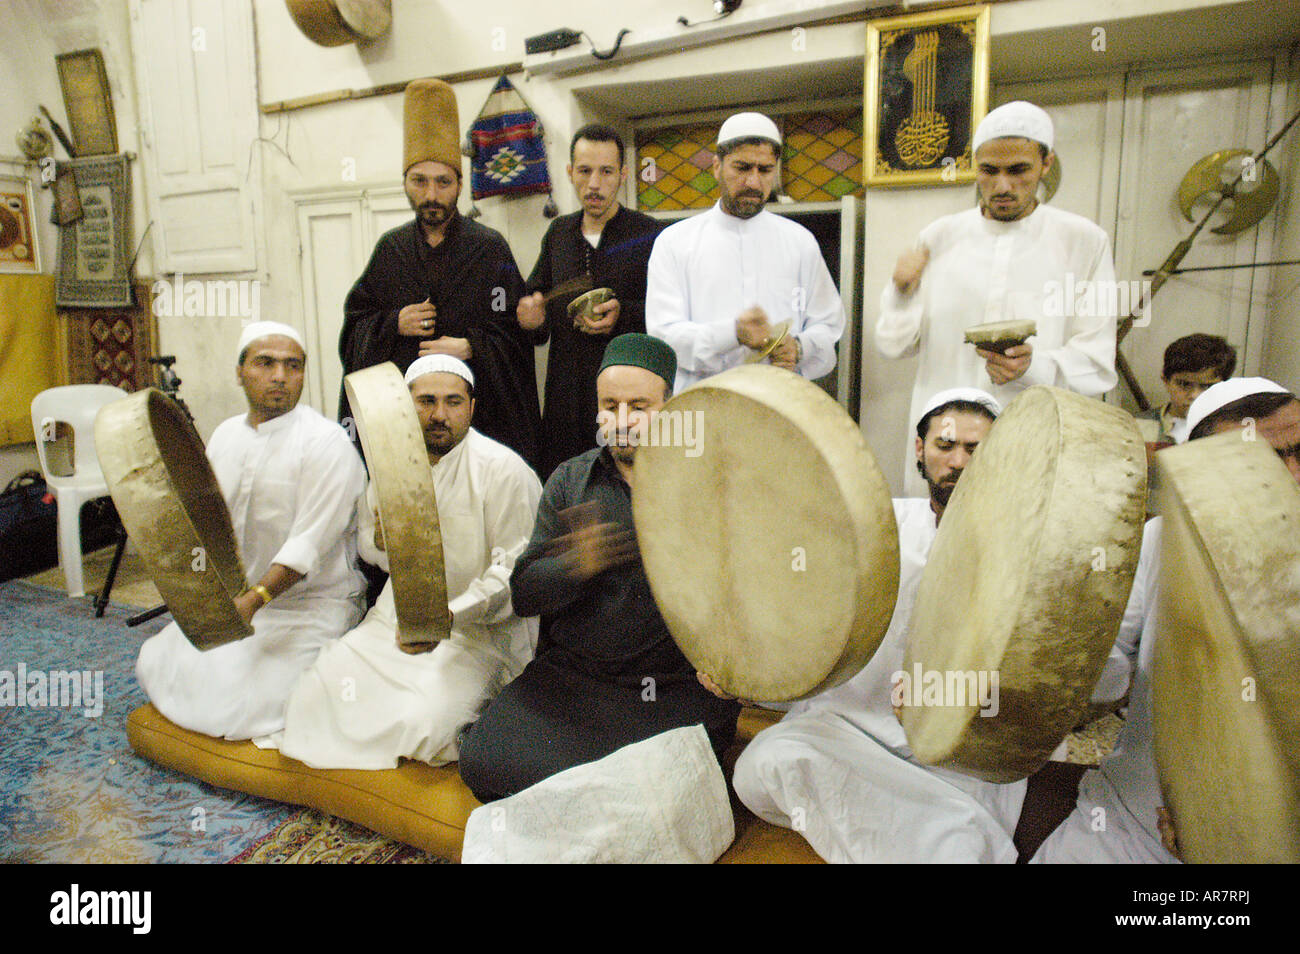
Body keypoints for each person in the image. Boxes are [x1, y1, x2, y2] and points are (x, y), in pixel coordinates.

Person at [729, 388, 1029, 863]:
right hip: (846, 731)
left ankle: (945, 831)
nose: (958, 461)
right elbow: (808, 629)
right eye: (945, 446)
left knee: (955, 850)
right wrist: (746, 676)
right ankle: (944, 828)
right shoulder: (873, 523)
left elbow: (1031, 682)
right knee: (758, 769)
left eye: (976, 449)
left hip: (951, 757)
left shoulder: (1023, 552)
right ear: (919, 449)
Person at [457, 333, 741, 802]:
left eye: (639, 406)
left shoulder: (711, 484)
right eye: (610, 405)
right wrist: (575, 565)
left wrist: (731, 668)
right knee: (485, 760)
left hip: (672, 688)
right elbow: (525, 595)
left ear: (670, 408)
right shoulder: (571, 479)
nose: (623, 421)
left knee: (671, 787)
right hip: (575, 680)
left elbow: (744, 593)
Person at [1031, 377, 1300, 863]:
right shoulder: (1161, 541)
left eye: (1298, 451)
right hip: (1128, 818)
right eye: (1255, 463)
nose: (1290, 475)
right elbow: (1103, 669)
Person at [276, 355, 542, 769]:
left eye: (454, 402)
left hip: (477, 636)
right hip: (394, 622)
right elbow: (369, 550)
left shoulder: (504, 471)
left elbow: (514, 576)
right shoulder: (390, 465)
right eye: (426, 401)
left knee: (427, 723)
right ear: (406, 406)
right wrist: (382, 543)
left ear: (472, 407)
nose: (439, 414)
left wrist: (446, 618)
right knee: (312, 693)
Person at [135, 321, 366, 740]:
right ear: (240, 372)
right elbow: (206, 521)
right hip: (241, 605)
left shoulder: (327, 444)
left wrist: (255, 600)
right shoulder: (225, 436)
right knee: (155, 660)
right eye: (266, 363)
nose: (280, 376)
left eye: (293, 366)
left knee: (241, 704)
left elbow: (308, 544)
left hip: (310, 607)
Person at [876, 100, 1118, 494]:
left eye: (1018, 170)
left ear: (1045, 164)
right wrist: (901, 293)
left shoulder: (1083, 241)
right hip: (943, 449)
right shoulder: (939, 237)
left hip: (1030, 444)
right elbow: (892, 346)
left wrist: (1034, 367)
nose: (1002, 186)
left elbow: (1097, 365)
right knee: (936, 548)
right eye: (989, 171)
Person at [338, 78, 541, 469]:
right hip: (405, 433)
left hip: (481, 432)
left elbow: (517, 336)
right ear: (405, 184)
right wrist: (393, 323)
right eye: (420, 181)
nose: (431, 194)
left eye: (443, 182)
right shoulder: (391, 251)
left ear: (460, 185)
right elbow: (353, 334)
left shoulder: (489, 248)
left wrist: (471, 348)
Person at [644, 111, 845, 392]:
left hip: (782, 405)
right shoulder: (675, 242)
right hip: (704, 405)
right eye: (742, 167)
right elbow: (664, 338)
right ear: (716, 166)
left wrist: (799, 348)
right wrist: (732, 334)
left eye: (764, 170)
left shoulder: (800, 242)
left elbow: (828, 327)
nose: (753, 182)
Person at [516, 125, 663, 480]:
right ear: (570, 173)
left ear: (623, 175)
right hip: (567, 398)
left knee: (632, 494)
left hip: (630, 405)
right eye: (584, 171)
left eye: (606, 172)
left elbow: (669, 313)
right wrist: (532, 319)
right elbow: (536, 306)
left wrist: (624, 314)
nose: (594, 184)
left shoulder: (650, 234)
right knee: (570, 493)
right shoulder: (558, 234)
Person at [1135, 333, 1236, 446]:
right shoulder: (1136, 428)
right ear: (1166, 381)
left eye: (1207, 387)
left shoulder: (1237, 431)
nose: (1194, 395)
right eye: (1184, 384)